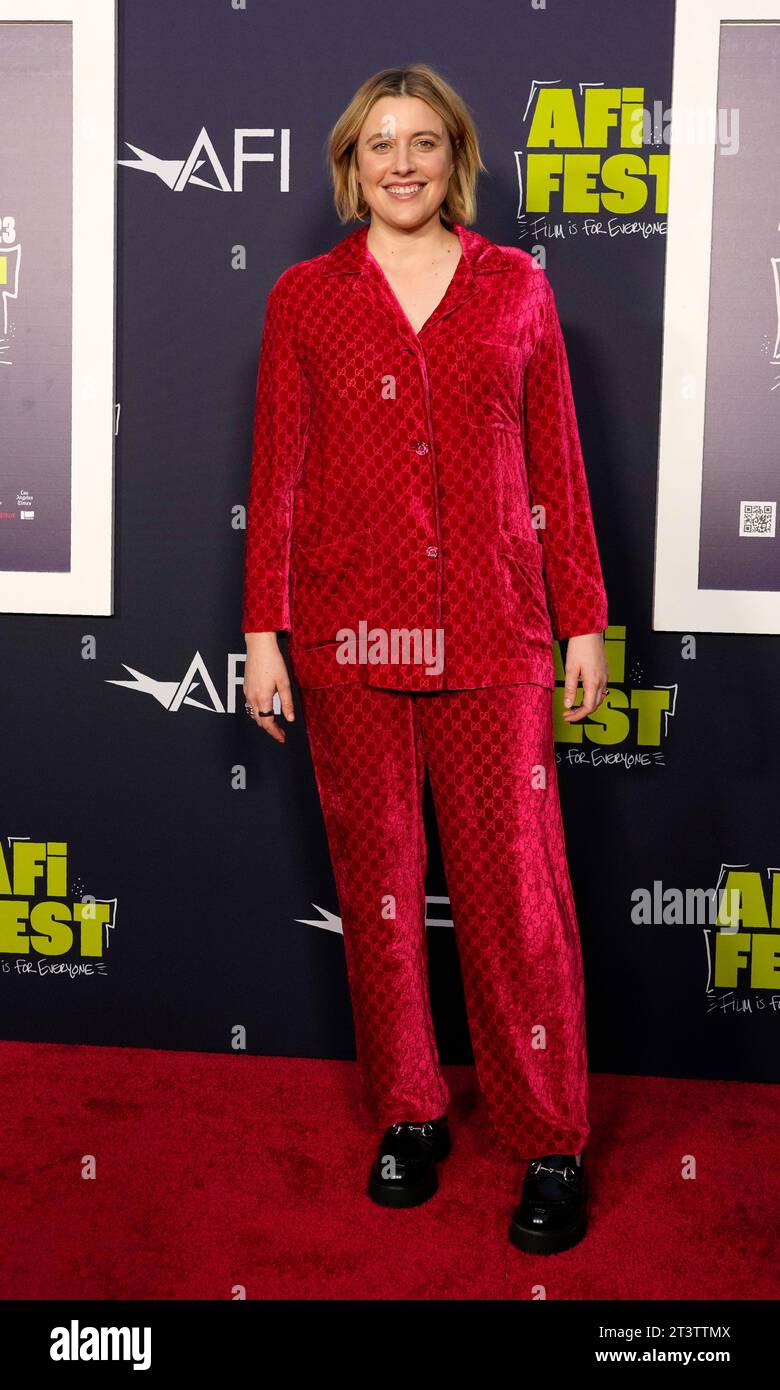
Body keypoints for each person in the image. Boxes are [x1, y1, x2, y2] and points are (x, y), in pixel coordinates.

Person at [242, 62, 609, 1255]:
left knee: (514, 896)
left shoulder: (517, 289)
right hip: (350, 634)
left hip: (498, 633)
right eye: (380, 145)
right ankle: (409, 1112)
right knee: (383, 894)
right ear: (352, 168)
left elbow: (555, 464)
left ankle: (549, 1138)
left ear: (457, 159)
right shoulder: (303, 297)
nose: (402, 163)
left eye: (424, 143)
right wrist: (263, 632)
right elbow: (278, 473)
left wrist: (585, 620)